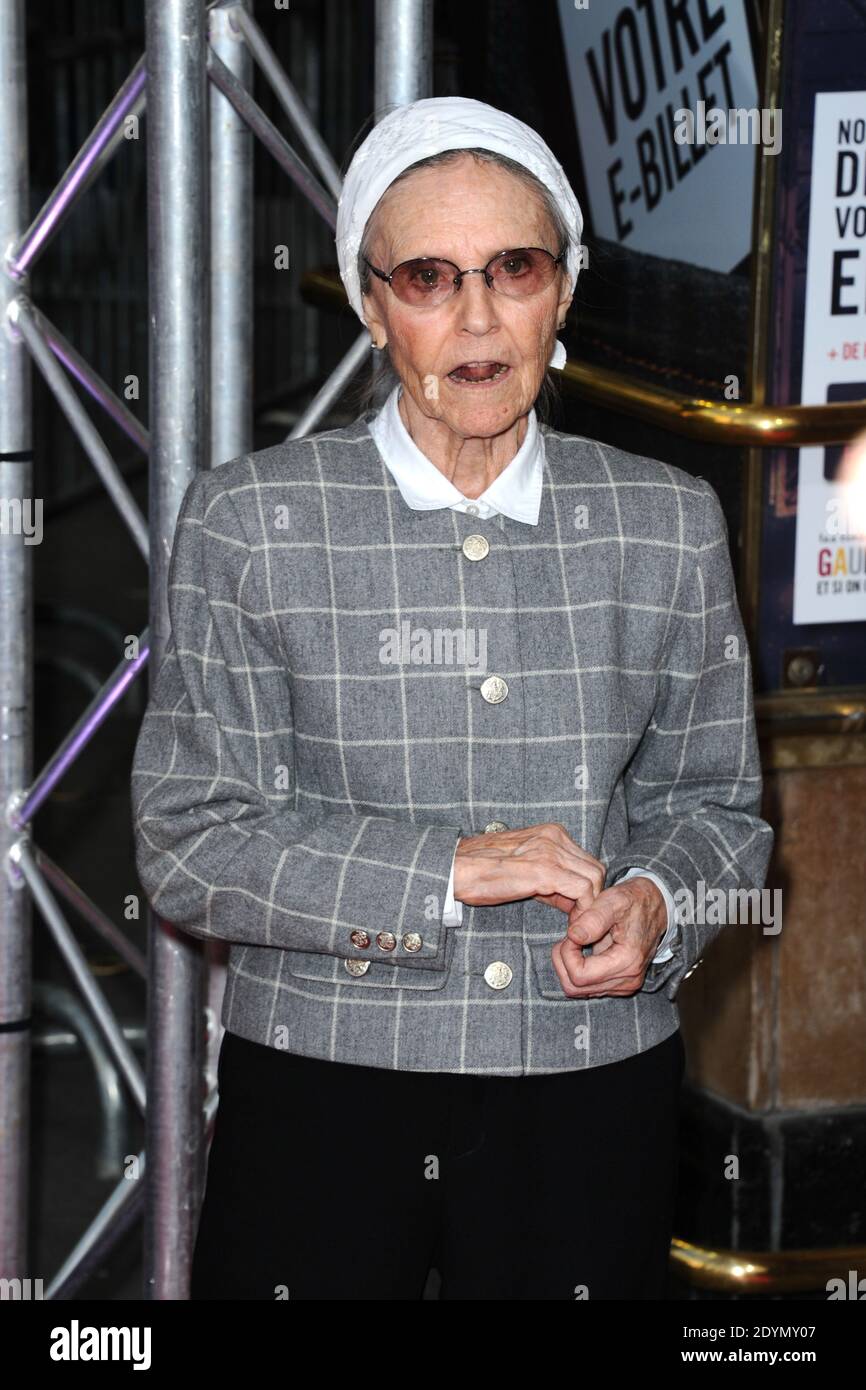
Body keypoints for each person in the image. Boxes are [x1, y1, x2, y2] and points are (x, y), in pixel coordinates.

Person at [130, 96, 774, 1300]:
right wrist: (443, 868)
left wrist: (654, 906)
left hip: (586, 1084)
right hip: (325, 1083)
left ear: (564, 289)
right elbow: (187, 841)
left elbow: (722, 813)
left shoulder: (665, 520)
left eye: (512, 268)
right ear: (372, 306)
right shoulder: (252, 520)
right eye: (427, 276)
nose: (476, 319)